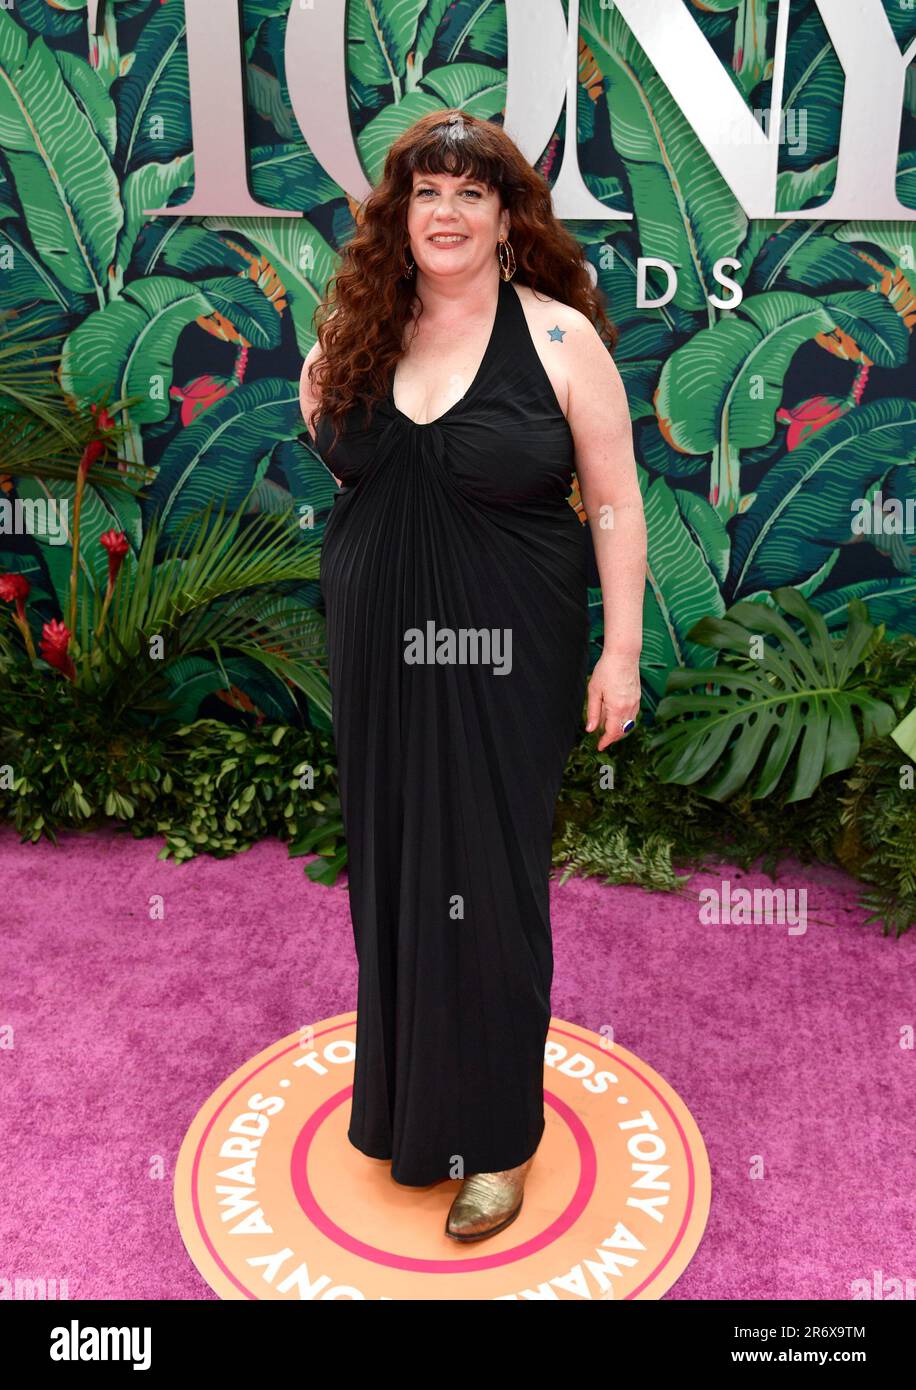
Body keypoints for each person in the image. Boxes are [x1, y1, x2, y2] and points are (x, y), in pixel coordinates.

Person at [299, 109, 645, 1243]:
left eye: (470, 192)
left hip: (506, 653)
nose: (445, 211)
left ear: (506, 220)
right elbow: (334, 446)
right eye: (426, 191)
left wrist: (622, 649)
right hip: (378, 652)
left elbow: (612, 501)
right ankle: (409, 1114)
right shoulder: (352, 332)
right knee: (397, 871)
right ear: (399, 216)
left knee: (488, 886)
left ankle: (493, 1143)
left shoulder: (555, 339)